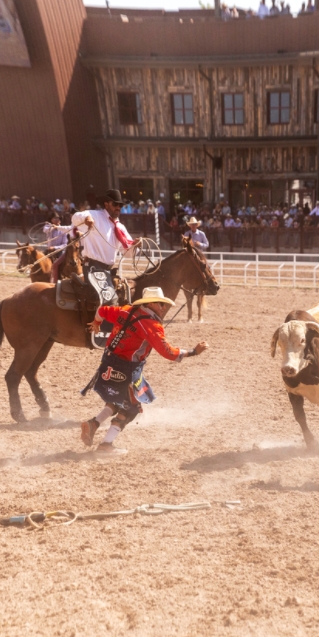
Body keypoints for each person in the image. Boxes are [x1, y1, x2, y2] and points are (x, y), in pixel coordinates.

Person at [79, 287, 208, 454]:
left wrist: (96, 322)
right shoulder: (151, 325)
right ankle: (105, 445)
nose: (163, 308)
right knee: (130, 409)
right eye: (161, 304)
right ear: (152, 303)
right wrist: (193, 352)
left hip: (108, 363)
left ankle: (93, 424)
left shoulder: (125, 310)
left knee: (117, 400)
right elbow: (167, 352)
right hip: (127, 369)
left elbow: (102, 310)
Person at [72, 189, 134, 307]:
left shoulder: (120, 227)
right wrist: (85, 220)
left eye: (120, 205)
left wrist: (135, 245)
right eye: (115, 204)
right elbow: (75, 217)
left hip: (108, 270)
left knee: (127, 296)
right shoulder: (94, 215)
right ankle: (97, 325)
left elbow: (128, 254)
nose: (118, 207)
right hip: (92, 268)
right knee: (110, 301)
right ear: (106, 204)